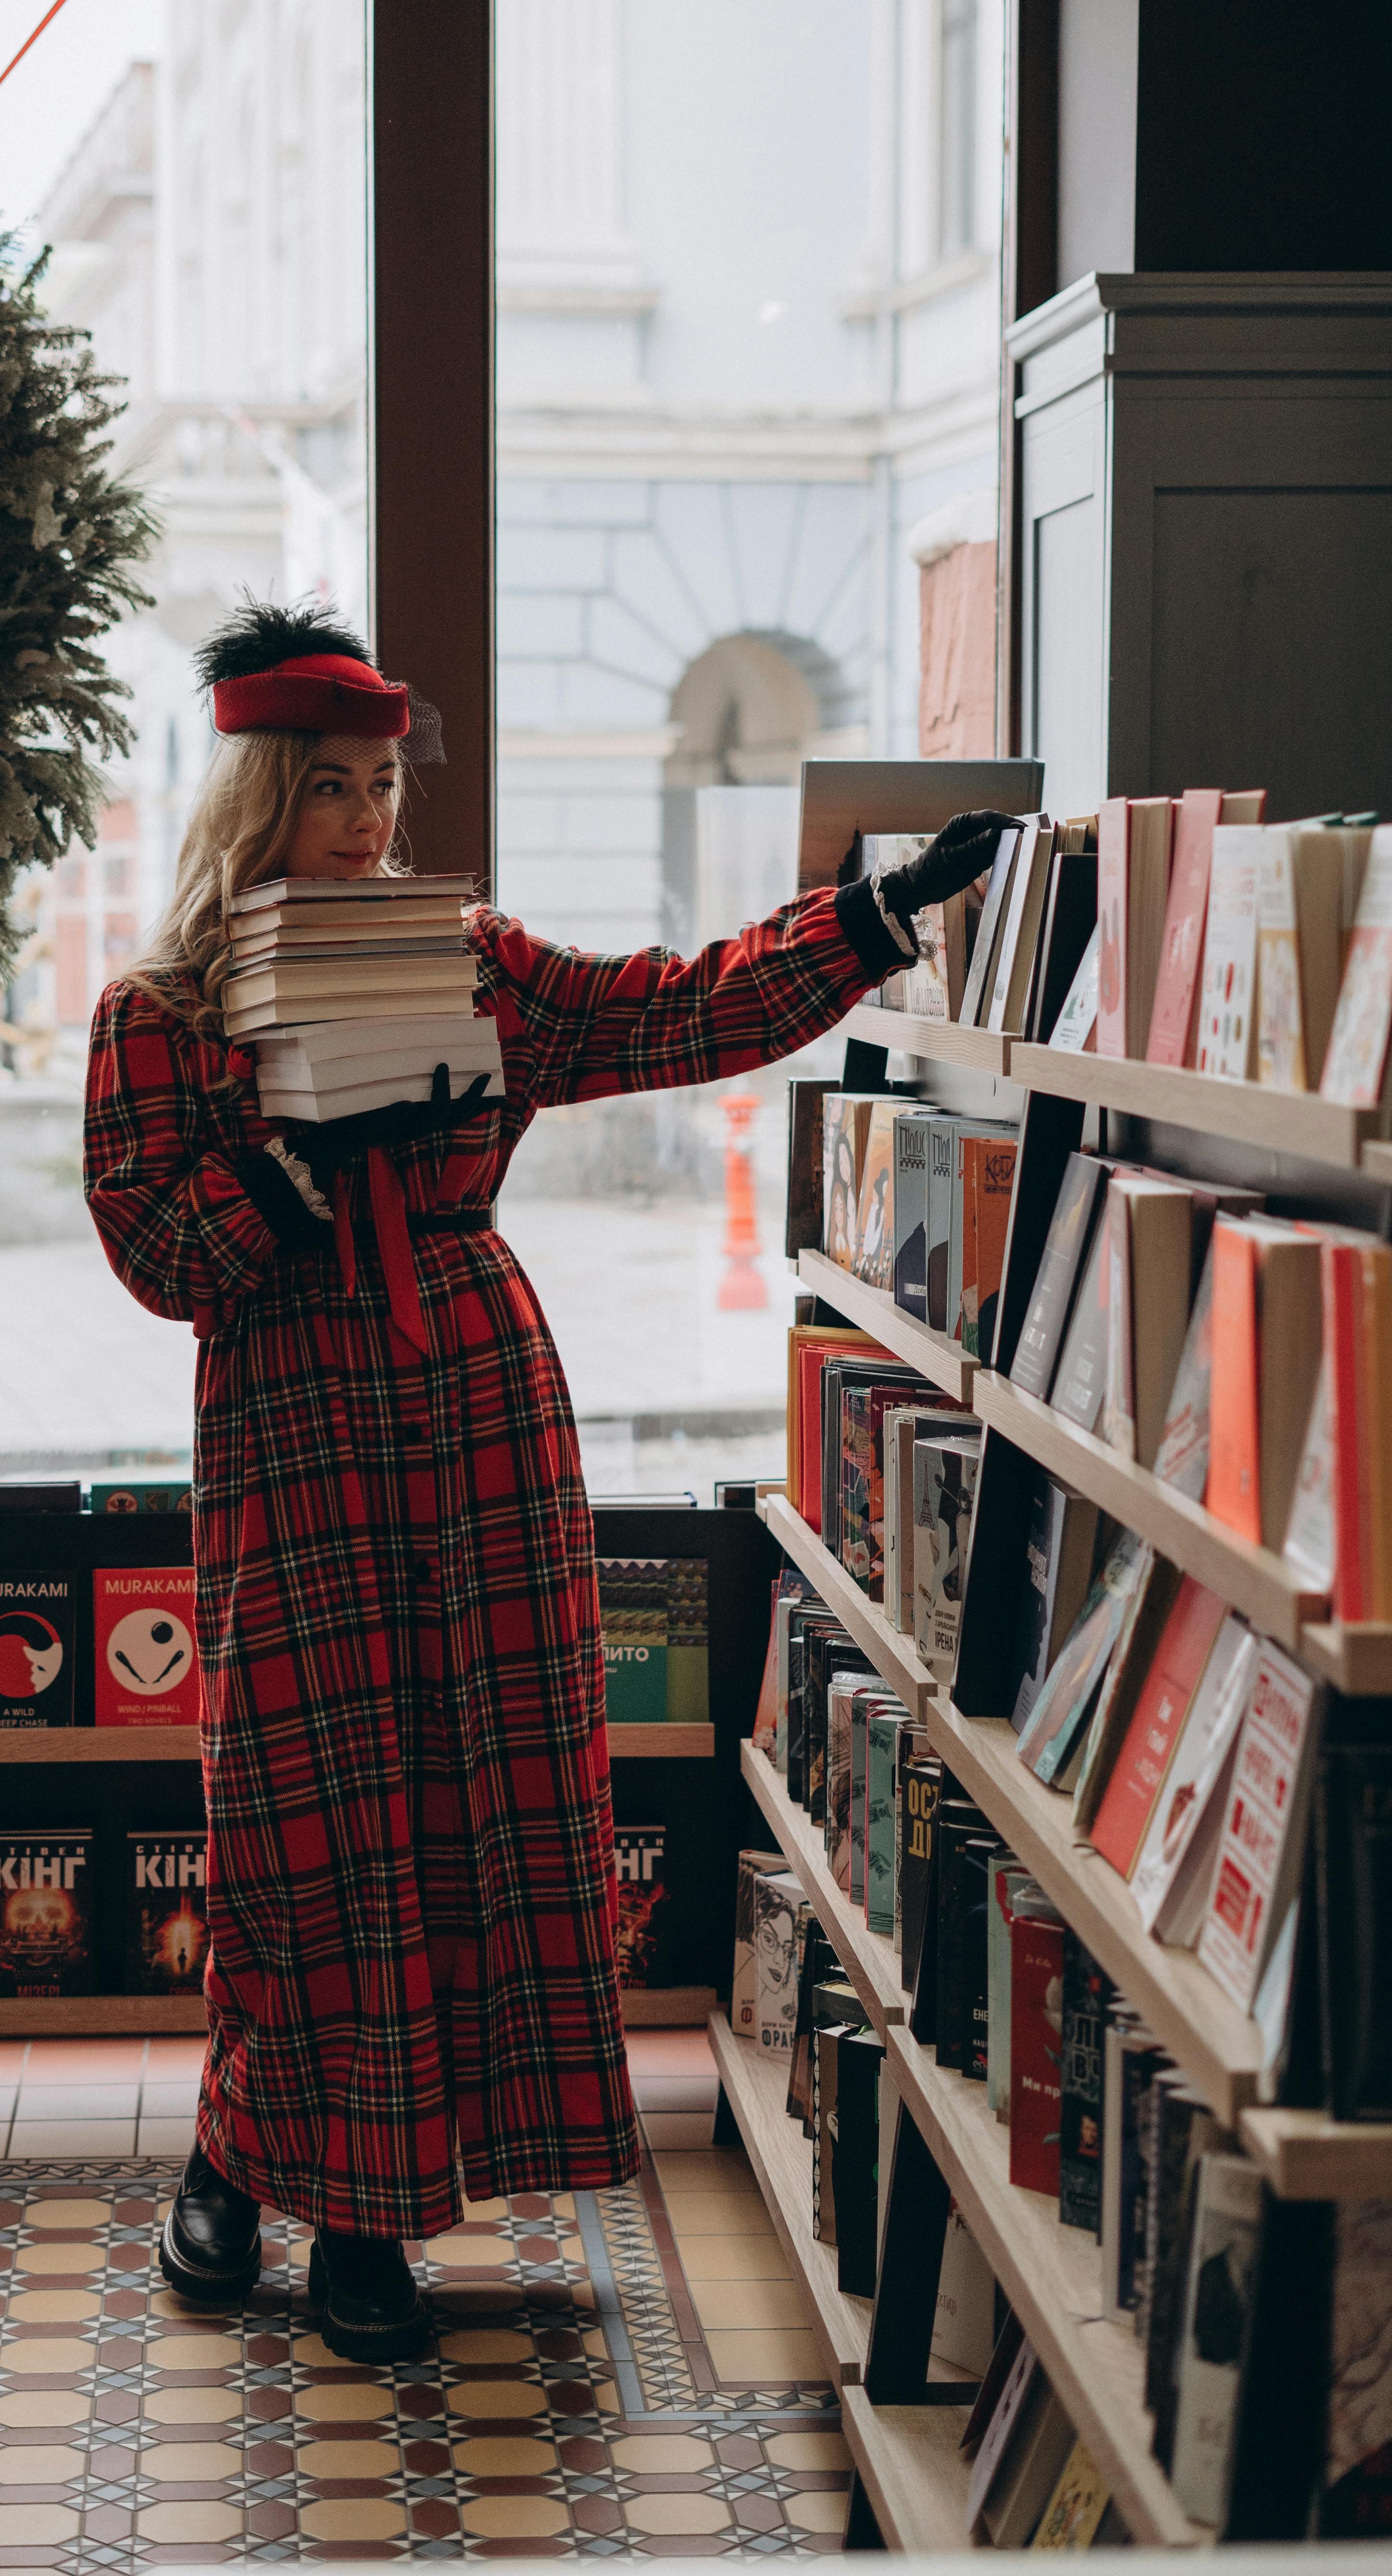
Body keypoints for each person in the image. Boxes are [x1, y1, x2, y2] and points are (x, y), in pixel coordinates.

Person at [83, 596, 1009, 2365]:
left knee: (485, 1797)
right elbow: (148, 1252)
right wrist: (288, 1167)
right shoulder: (157, 1011)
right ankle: (246, 2150)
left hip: (479, 1406)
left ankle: (376, 2212)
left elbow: (664, 1014)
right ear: (256, 796)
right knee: (305, 1812)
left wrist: (871, 920)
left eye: (378, 790)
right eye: (330, 790)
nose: (367, 824)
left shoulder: (466, 963)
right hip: (293, 1423)